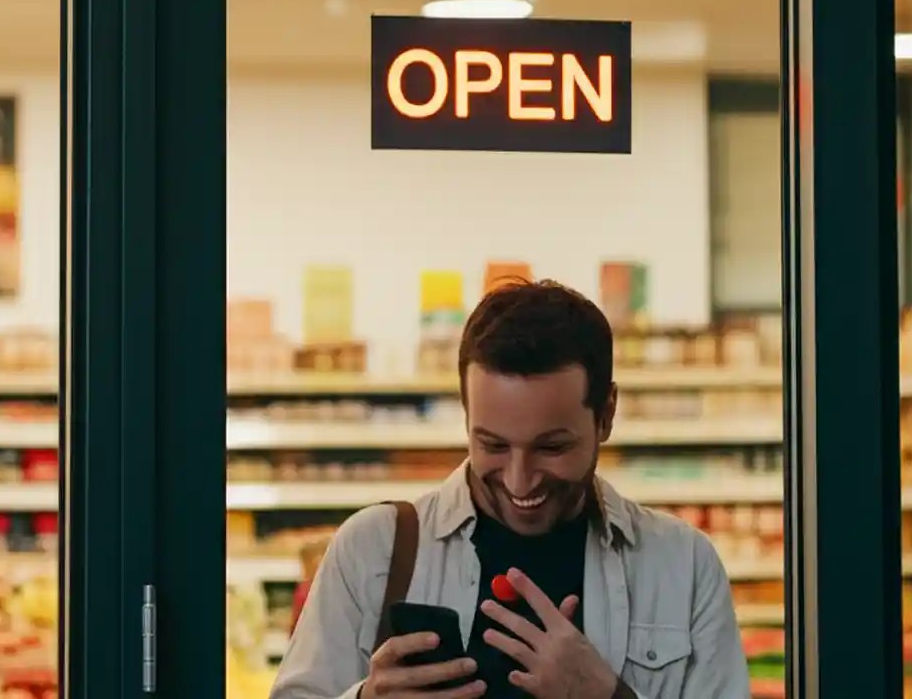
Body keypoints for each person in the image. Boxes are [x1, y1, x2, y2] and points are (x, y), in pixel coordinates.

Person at [270, 279, 750, 699]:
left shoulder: (683, 565)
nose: (520, 480)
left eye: (552, 447)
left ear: (606, 415)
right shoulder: (372, 550)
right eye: (493, 445)